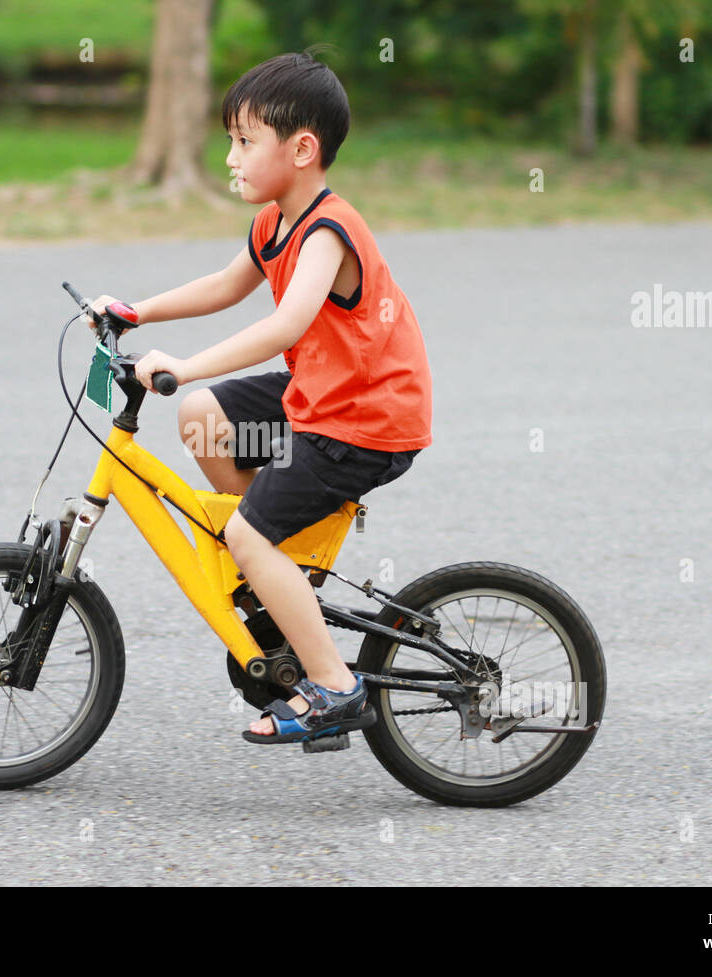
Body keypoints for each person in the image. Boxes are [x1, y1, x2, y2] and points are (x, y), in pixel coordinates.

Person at [84, 50, 433, 744]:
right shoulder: (274, 221)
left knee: (245, 531)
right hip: (323, 393)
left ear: (302, 149)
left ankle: (335, 686)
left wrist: (182, 364)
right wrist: (136, 311)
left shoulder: (329, 231)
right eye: (230, 142)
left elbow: (284, 324)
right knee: (201, 415)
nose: (230, 159)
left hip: (365, 419)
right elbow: (225, 285)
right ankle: (278, 582)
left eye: (245, 142)